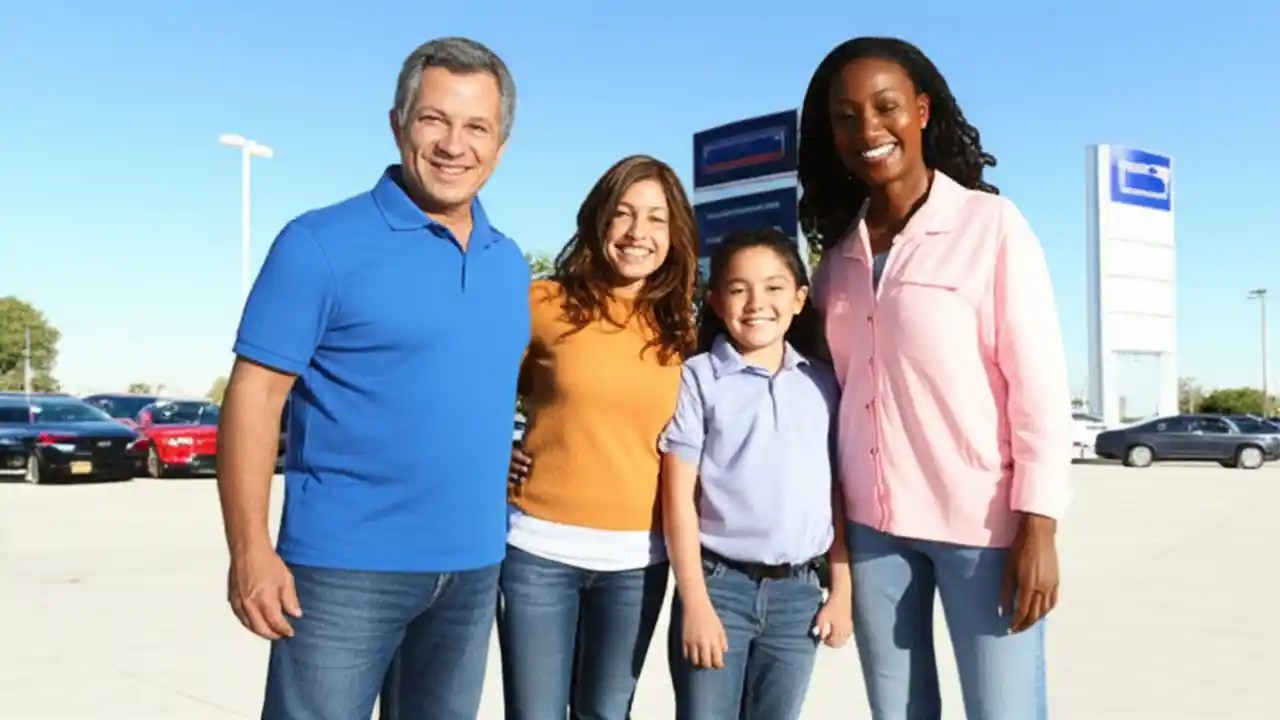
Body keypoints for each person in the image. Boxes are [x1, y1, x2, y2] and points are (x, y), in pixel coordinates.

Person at [215, 36, 528, 720]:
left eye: (476, 127)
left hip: (473, 571)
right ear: (398, 124)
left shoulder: (511, 266)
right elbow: (254, 395)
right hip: (342, 573)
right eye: (434, 120)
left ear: (500, 145)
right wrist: (250, 550)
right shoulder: (318, 244)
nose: (454, 144)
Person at [799, 36, 1073, 719]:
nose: (867, 128)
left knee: (1003, 711)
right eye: (845, 115)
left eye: (885, 106)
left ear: (921, 111)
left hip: (983, 530)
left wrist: (1039, 525)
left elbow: (1038, 385)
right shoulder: (836, 257)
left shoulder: (992, 226)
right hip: (873, 530)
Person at [501, 154, 699, 719]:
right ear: (599, 221)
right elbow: (474, 389)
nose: (639, 233)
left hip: (638, 561)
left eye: (657, 219)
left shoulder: (683, 327)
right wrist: (493, 451)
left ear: (676, 232)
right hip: (537, 551)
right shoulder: (543, 303)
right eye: (624, 214)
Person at [659, 228, 853, 720]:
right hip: (719, 588)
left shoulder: (822, 381)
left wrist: (842, 592)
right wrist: (695, 602)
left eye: (773, 287)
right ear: (716, 300)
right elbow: (678, 499)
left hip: (799, 596)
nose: (756, 303)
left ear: (799, 299)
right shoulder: (698, 378)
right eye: (738, 288)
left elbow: (833, 494)